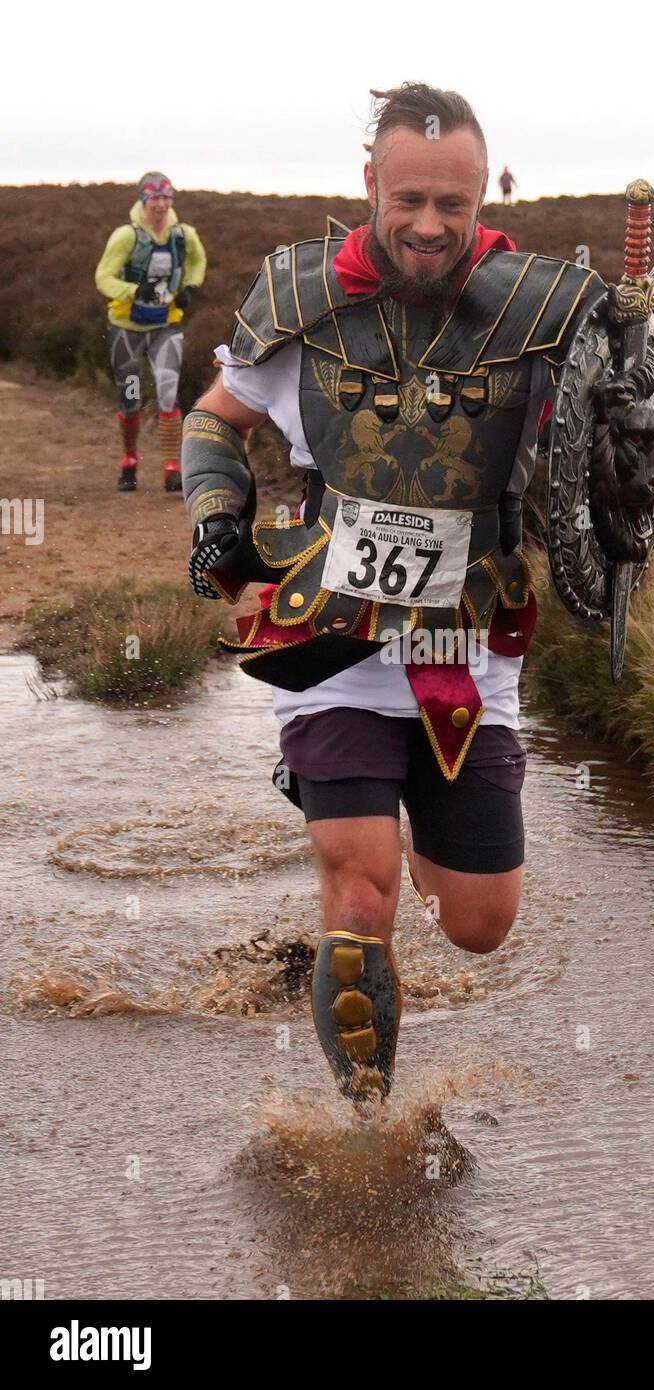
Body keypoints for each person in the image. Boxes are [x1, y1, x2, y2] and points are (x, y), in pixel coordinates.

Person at [180, 83, 608, 1109]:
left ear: (482, 196)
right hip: (329, 640)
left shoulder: (545, 312)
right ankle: (369, 1131)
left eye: (450, 206)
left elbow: (612, 450)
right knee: (358, 890)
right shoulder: (298, 299)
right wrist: (215, 520)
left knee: (478, 924)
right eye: (408, 198)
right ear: (369, 182)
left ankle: (407, 819)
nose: (427, 225)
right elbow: (214, 415)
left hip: (467, 650)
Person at [95, 172, 207, 492]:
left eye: (166, 198)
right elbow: (103, 277)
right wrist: (134, 291)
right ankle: (129, 461)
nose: (160, 205)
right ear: (143, 201)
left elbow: (198, 262)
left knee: (167, 392)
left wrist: (191, 287)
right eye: (154, 198)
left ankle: (172, 468)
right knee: (130, 398)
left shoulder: (184, 235)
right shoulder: (125, 236)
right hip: (126, 329)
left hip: (165, 325)